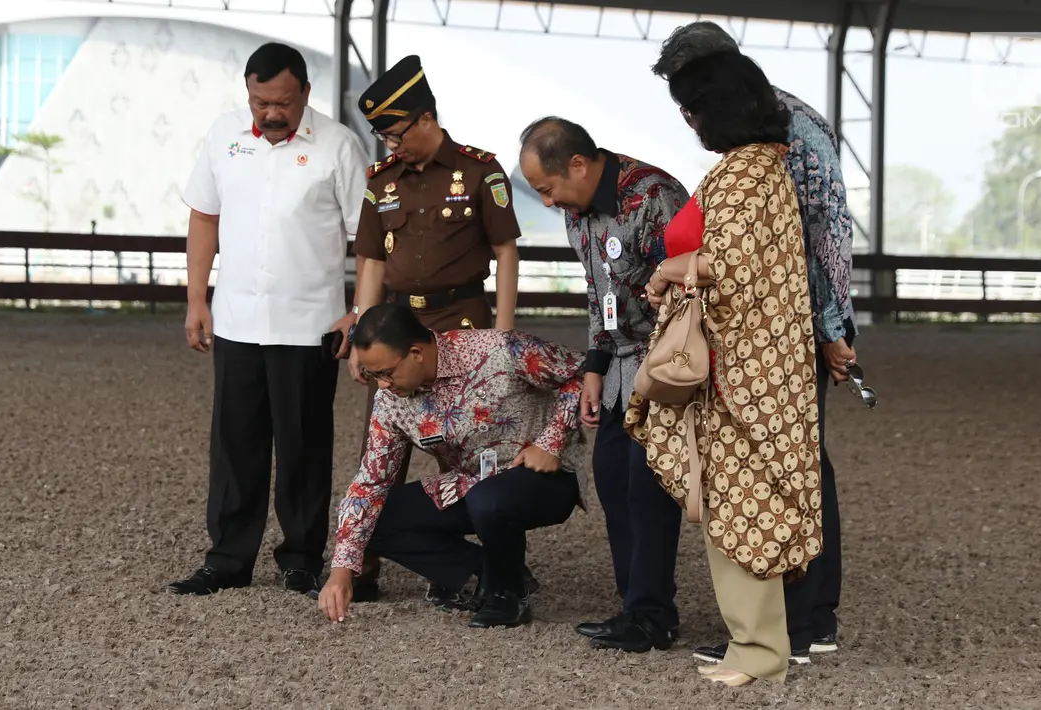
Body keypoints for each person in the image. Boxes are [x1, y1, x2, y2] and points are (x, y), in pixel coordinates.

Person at [652, 20, 855, 662]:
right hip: (765, 328)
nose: (686, 118)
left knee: (787, 463)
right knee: (781, 459)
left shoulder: (788, 130)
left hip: (785, 333)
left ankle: (804, 620)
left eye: (689, 102)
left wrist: (832, 328)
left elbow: (827, 232)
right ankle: (785, 619)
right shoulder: (759, 130)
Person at [168, 42, 368, 598]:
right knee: (235, 443)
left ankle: (301, 558)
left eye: (282, 102)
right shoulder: (222, 134)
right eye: (260, 103)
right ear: (248, 93)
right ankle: (228, 558)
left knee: (303, 444)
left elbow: (370, 238)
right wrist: (196, 299)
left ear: (305, 92)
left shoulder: (339, 145)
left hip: (310, 325)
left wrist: (360, 311)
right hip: (235, 318)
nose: (271, 113)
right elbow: (203, 216)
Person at [348, 54, 524, 601]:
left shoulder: (480, 169)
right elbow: (373, 261)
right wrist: (360, 335)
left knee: (477, 448)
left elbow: (506, 252)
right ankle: (366, 565)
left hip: (462, 321)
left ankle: (496, 569)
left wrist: (505, 339)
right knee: (381, 450)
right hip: (394, 328)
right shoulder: (382, 181)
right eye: (384, 138)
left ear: (426, 118)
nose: (391, 147)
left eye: (397, 134)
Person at [518, 117, 689, 653]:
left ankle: (652, 614)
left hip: (663, 362)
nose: (547, 203)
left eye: (547, 189)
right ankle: (635, 604)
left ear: (578, 164)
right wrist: (593, 365)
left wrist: (665, 370)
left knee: (647, 484)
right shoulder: (578, 213)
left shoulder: (654, 196)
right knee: (613, 477)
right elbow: (599, 295)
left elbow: (691, 289)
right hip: (616, 363)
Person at [317, 303, 587, 628]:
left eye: (386, 372)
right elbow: (369, 485)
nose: (383, 384)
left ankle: (507, 594)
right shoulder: (390, 401)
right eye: (374, 376)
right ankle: (490, 568)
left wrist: (551, 442)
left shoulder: (498, 350)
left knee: (488, 499)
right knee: (373, 519)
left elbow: (582, 371)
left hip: (546, 477)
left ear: (416, 352)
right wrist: (341, 570)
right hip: (468, 484)